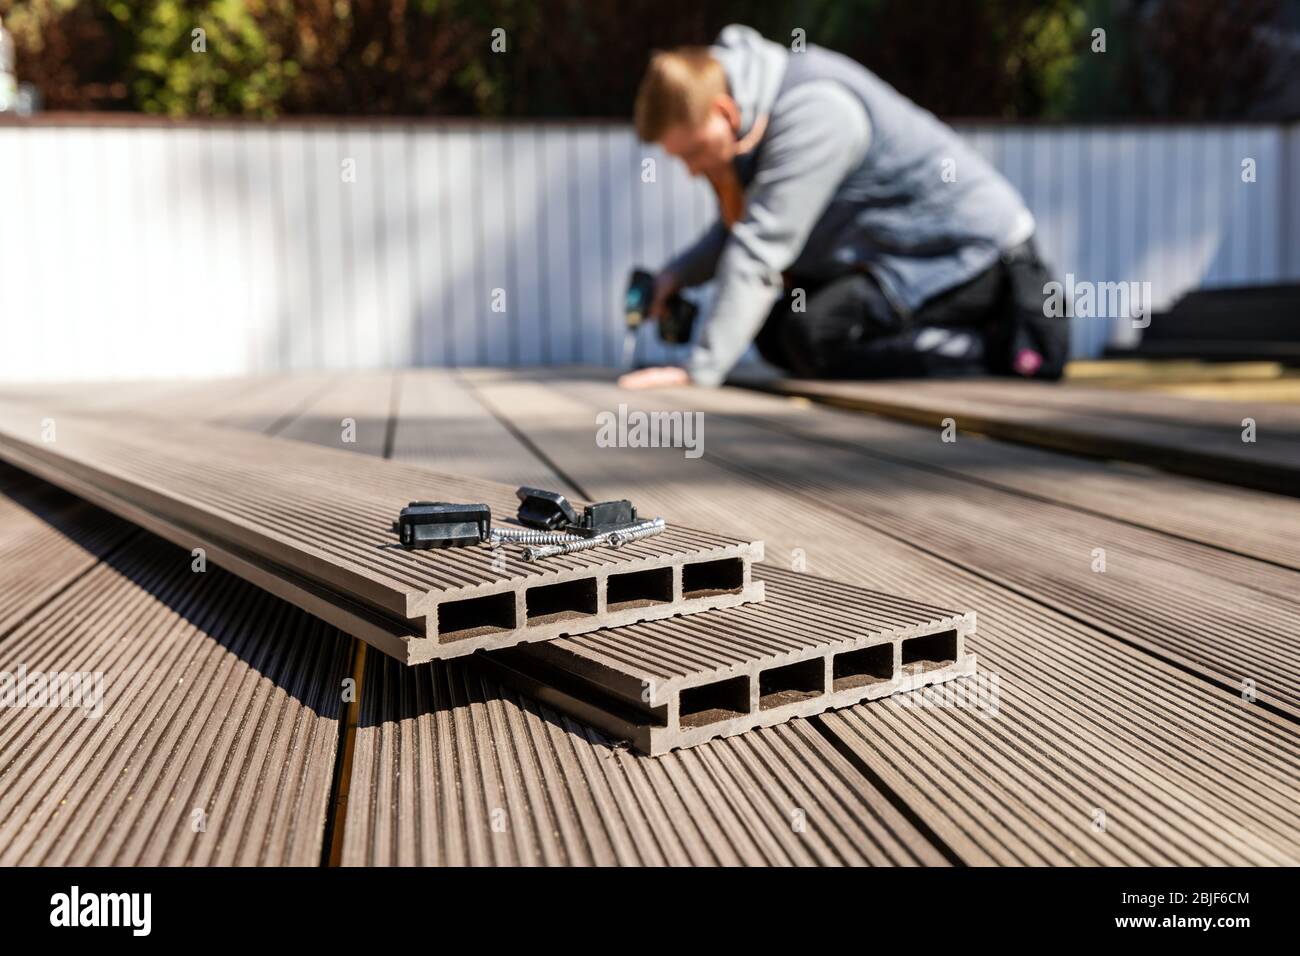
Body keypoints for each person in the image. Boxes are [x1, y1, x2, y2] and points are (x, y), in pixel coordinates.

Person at [620, 24, 1069, 391]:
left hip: (969, 256)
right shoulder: (758, 114)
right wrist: (673, 278)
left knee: (811, 335)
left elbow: (761, 246)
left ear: (724, 112)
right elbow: (738, 233)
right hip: (895, 260)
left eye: (692, 153)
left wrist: (698, 374)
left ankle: (995, 346)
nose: (693, 172)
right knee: (778, 333)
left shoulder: (814, 112)